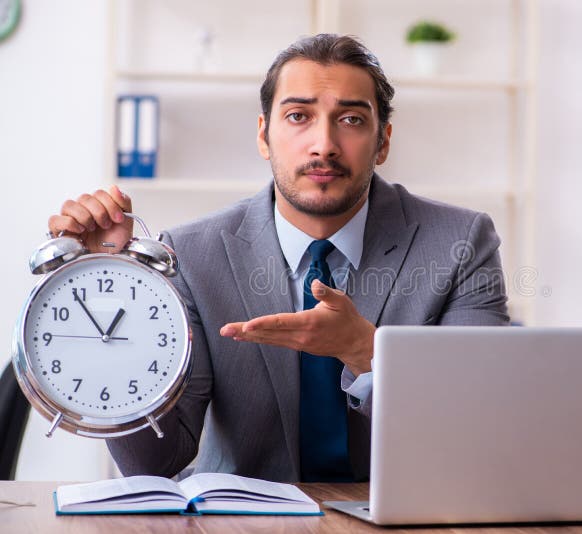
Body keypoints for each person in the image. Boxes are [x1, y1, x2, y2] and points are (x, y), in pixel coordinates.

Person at [48, 34, 509, 483]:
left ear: (383, 141)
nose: (323, 144)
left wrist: (367, 353)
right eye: (298, 116)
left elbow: (481, 430)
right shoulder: (189, 254)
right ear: (264, 135)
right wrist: (107, 283)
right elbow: (155, 462)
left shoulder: (461, 243)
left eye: (350, 119)